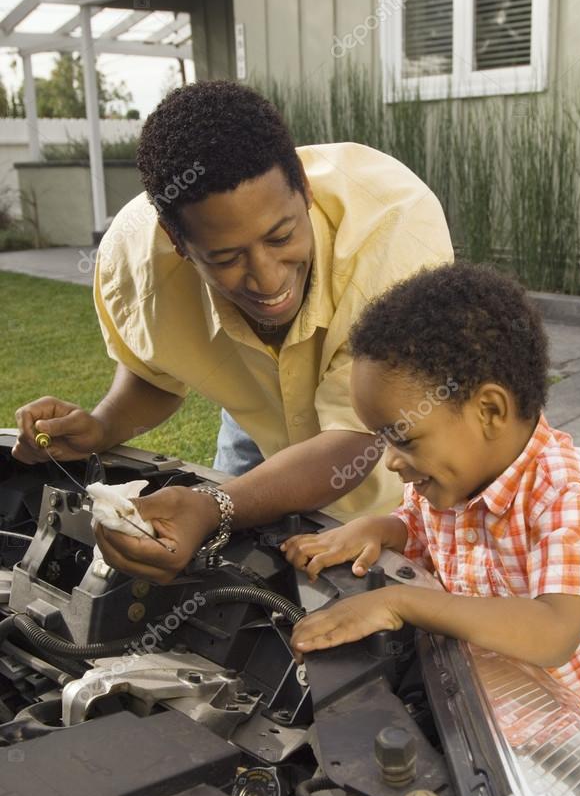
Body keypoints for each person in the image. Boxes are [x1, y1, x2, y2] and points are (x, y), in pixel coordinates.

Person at [282, 262, 580, 796]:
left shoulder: (569, 494)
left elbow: (552, 631)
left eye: (404, 437)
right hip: (537, 729)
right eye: (381, 439)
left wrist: (400, 603)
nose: (391, 460)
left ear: (489, 410)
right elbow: (417, 525)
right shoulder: (452, 479)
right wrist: (378, 529)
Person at [12, 81, 453, 582]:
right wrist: (103, 425)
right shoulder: (135, 261)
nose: (267, 280)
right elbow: (155, 372)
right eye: (225, 258)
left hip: (390, 472)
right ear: (177, 242)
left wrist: (214, 505)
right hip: (258, 418)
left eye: (281, 236)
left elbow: (356, 442)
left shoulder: (395, 232)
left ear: (304, 192)